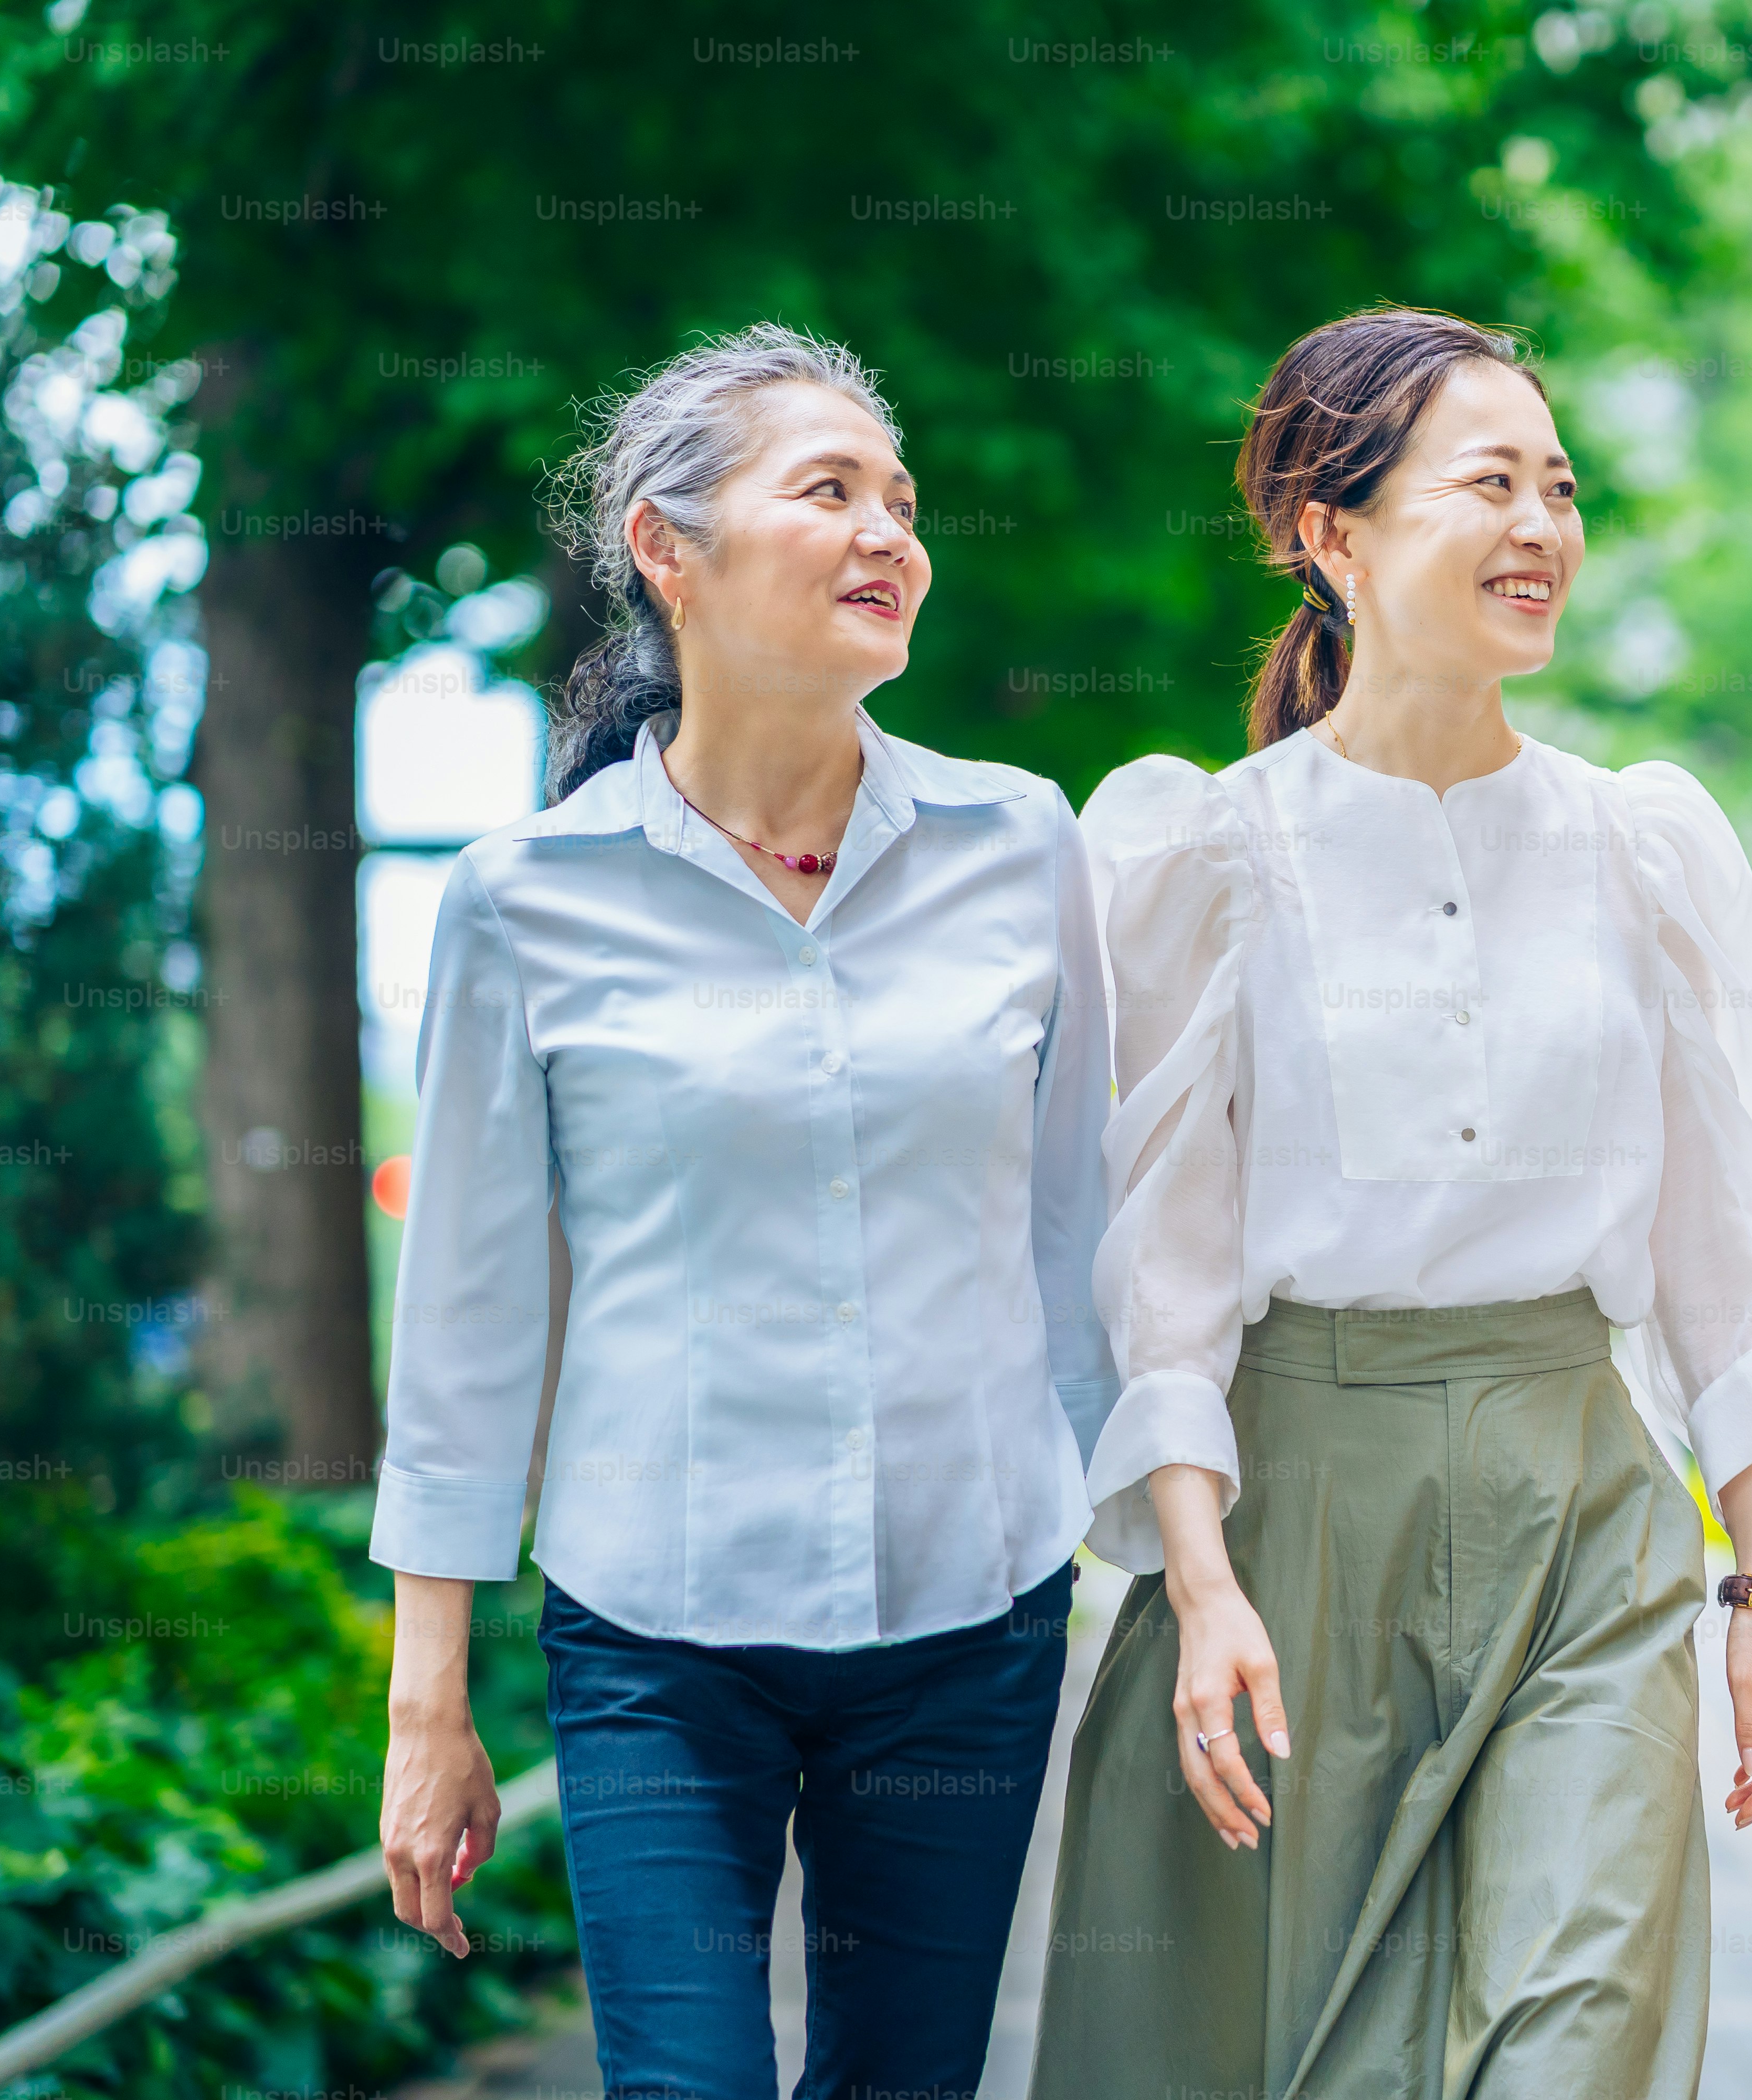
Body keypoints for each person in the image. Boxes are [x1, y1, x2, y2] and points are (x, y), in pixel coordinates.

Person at [1032, 305, 1752, 2100]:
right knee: (1315, 2057)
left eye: (1561, 488)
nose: (1542, 527)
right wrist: (1203, 1575)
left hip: (1590, 1514)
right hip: (1302, 1507)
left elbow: (1719, 1245)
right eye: (1492, 485)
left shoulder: (1643, 850)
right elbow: (1167, 1264)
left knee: (1579, 2035)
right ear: (1333, 533)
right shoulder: (1206, 856)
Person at [370, 323, 1114, 2100]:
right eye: (831, 491)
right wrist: (430, 1699)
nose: (891, 534)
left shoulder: (1024, 845)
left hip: (970, 1611)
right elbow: (472, 1313)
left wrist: (1174, 1570)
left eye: (904, 501)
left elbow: (1082, 1243)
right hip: (654, 1641)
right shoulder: (524, 900)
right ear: (666, 550)